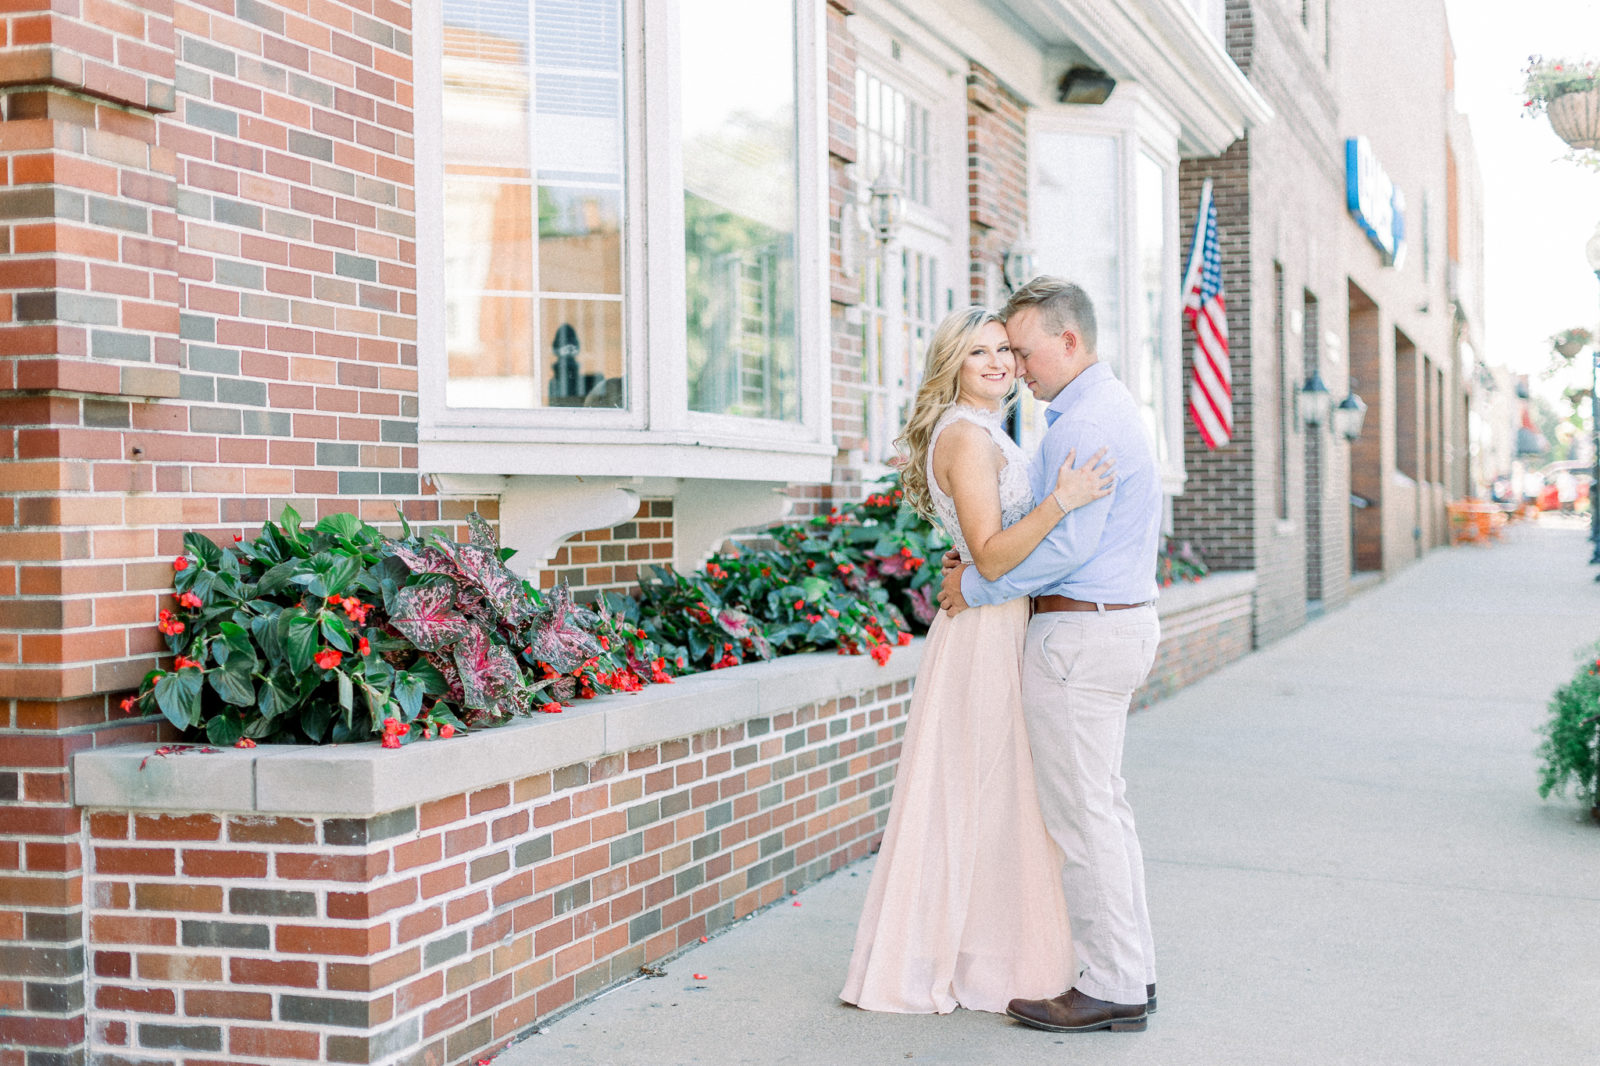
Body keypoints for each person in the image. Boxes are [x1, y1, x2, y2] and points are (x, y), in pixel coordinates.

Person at [840, 306, 1115, 1014]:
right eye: (978, 353)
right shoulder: (964, 435)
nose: (998, 363)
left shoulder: (988, 430)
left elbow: (981, 549)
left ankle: (993, 950)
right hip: (986, 632)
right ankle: (972, 960)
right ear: (952, 365)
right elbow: (991, 556)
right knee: (984, 792)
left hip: (1000, 619)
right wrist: (1062, 501)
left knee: (1002, 794)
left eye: (1004, 350)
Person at [938, 277, 1163, 1034]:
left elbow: (1067, 549)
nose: (1018, 368)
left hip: (1081, 637)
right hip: (1112, 627)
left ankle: (1111, 985)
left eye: (1024, 352)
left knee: (1084, 819)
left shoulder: (1082, 423)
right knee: (1105, 810)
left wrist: (974, 585)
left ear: (1069, 342)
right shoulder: (1103, 408)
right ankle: (1131, 971)